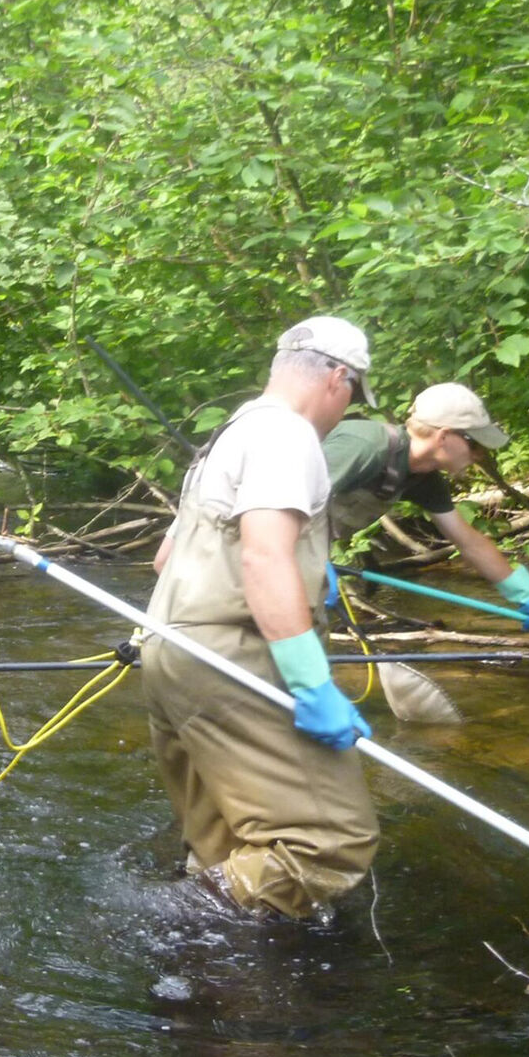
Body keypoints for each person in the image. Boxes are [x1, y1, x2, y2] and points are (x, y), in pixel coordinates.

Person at [142, 316, 378, 920]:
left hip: (168, 650)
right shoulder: (287, 436)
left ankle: (216, 986)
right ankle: (158, 918)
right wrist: (311, 683)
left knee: (221, 842)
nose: (346, 409)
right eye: (353, 394)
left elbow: (165, 558)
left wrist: (304, 576)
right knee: (327, 844)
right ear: (338, 377)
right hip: (232, 660)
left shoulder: (230, 432)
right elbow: (264, 553)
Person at [323, 383, 529, 634]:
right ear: (444, 437)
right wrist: (309, 561)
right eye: (475, 445)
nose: (479, 455)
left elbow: (469, 542)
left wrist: (524, 596)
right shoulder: (365, 446)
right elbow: (285, 497)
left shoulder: (423, 478)